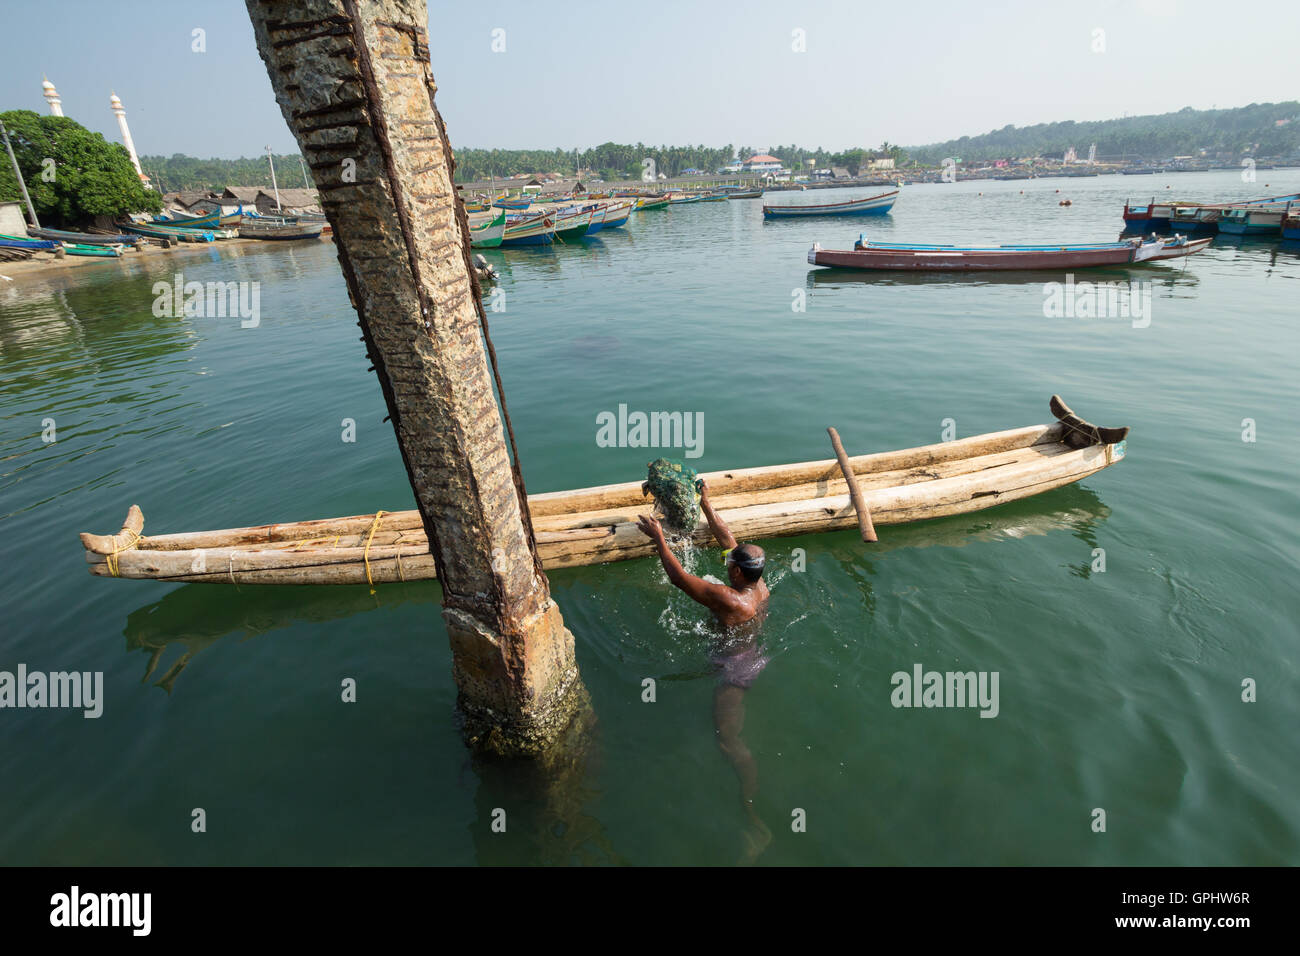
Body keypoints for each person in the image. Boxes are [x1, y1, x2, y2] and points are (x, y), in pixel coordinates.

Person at [637, 478, 772, 861]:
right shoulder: (759, 586)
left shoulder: (732, 600)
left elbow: (679, 579)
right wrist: (706, 503)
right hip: (750, 656)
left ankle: (754, 819)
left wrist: (658, 537)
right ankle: (751, 814)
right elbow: (729, 539)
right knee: (726, 735)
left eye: (731, 565)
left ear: (739, 576)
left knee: (729, 741)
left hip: (735, 670)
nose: (727, 563)